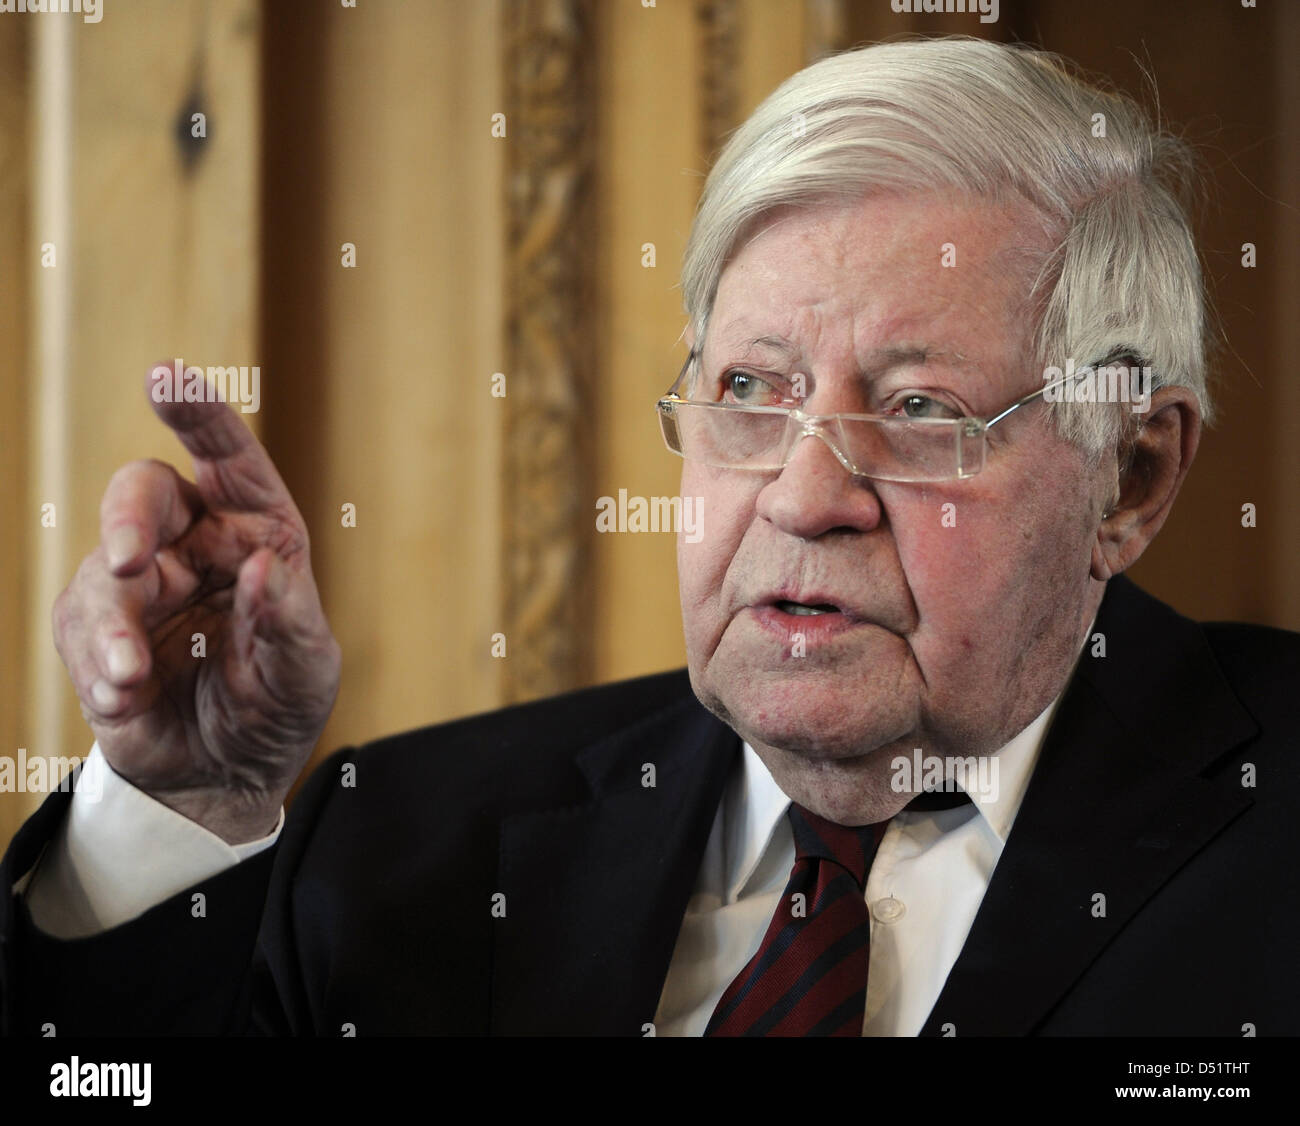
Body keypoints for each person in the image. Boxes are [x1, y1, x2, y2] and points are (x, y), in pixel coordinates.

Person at [2, 36, 1297, 1037]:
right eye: (748, 390)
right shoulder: (401, 847)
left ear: (1130, 474)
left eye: (918, 410)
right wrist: (184, 806)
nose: (801, 497)